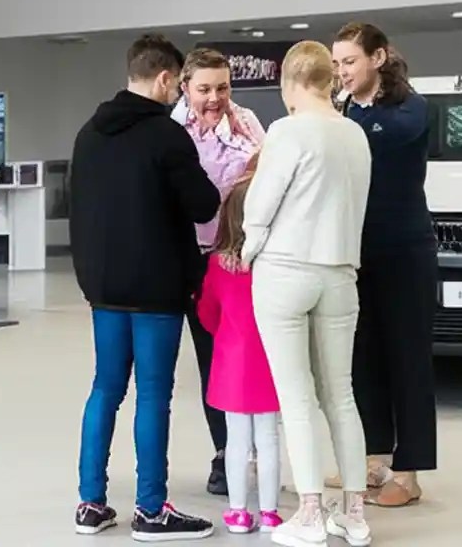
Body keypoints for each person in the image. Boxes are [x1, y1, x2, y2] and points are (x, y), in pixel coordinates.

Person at [70, 33, 220, 541]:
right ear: (162, 79)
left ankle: (90, 503)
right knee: (154, 394)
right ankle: (151, 510)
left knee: (105, 389)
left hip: (104, 288)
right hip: (156, 289)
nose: (180, 95)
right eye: (179, 85)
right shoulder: (166, 135)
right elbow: (203, 206)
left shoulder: (89, 133)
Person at [243, 40, 373, 547]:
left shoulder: (287, 130)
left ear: (292, 82)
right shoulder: (356, 135)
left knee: (296, 398)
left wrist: (248, 250)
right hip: (340, 272)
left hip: (285, 272)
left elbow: (260, 206)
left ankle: (311, 514)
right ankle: (355, 515)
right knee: (341, 395)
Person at [333, 23, 438, 507]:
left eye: (349, 61)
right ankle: (373, 460)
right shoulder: (346, 108)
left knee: (407, 360)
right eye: (335, 64)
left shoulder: (409, 107)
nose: (341, 72)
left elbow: (381, 138)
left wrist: (331, 124)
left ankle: (410, 472)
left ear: (377, 57)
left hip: (405, 252)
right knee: (364, 356)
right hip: (360, 252)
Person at [171, 47, 266, 495]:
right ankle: (219, 453)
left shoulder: (246, 122)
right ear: (184, 86)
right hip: (186, 257)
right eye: (205, 88)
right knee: (192, 363)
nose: (215, 98)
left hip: (236, 259)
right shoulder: (169, 130)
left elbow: (267, 181)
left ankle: (242, 453)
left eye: (223, 87)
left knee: (233, 360)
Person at [196, 181, 282, 535]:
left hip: (231, 363)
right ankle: (271, 512)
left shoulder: (218, 265)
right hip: (271, 361)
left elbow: (207, 314)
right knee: (270, 439)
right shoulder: (277, 264)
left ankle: (237, 512)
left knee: (236, 441)